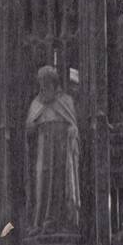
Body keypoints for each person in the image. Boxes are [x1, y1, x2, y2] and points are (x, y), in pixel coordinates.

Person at [25, 64, 81, 230]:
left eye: (47, 82)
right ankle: (40, 220)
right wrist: (33, 127)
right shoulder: (36, 103)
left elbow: (74, 125)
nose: (44, 86)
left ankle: (62, 220)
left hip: (61, 149)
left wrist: (72, 130)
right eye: (41, 82)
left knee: (60, 181)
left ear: (53, 82)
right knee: (42, 183)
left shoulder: (66, 101)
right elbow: (28, 129)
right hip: (43, 148)